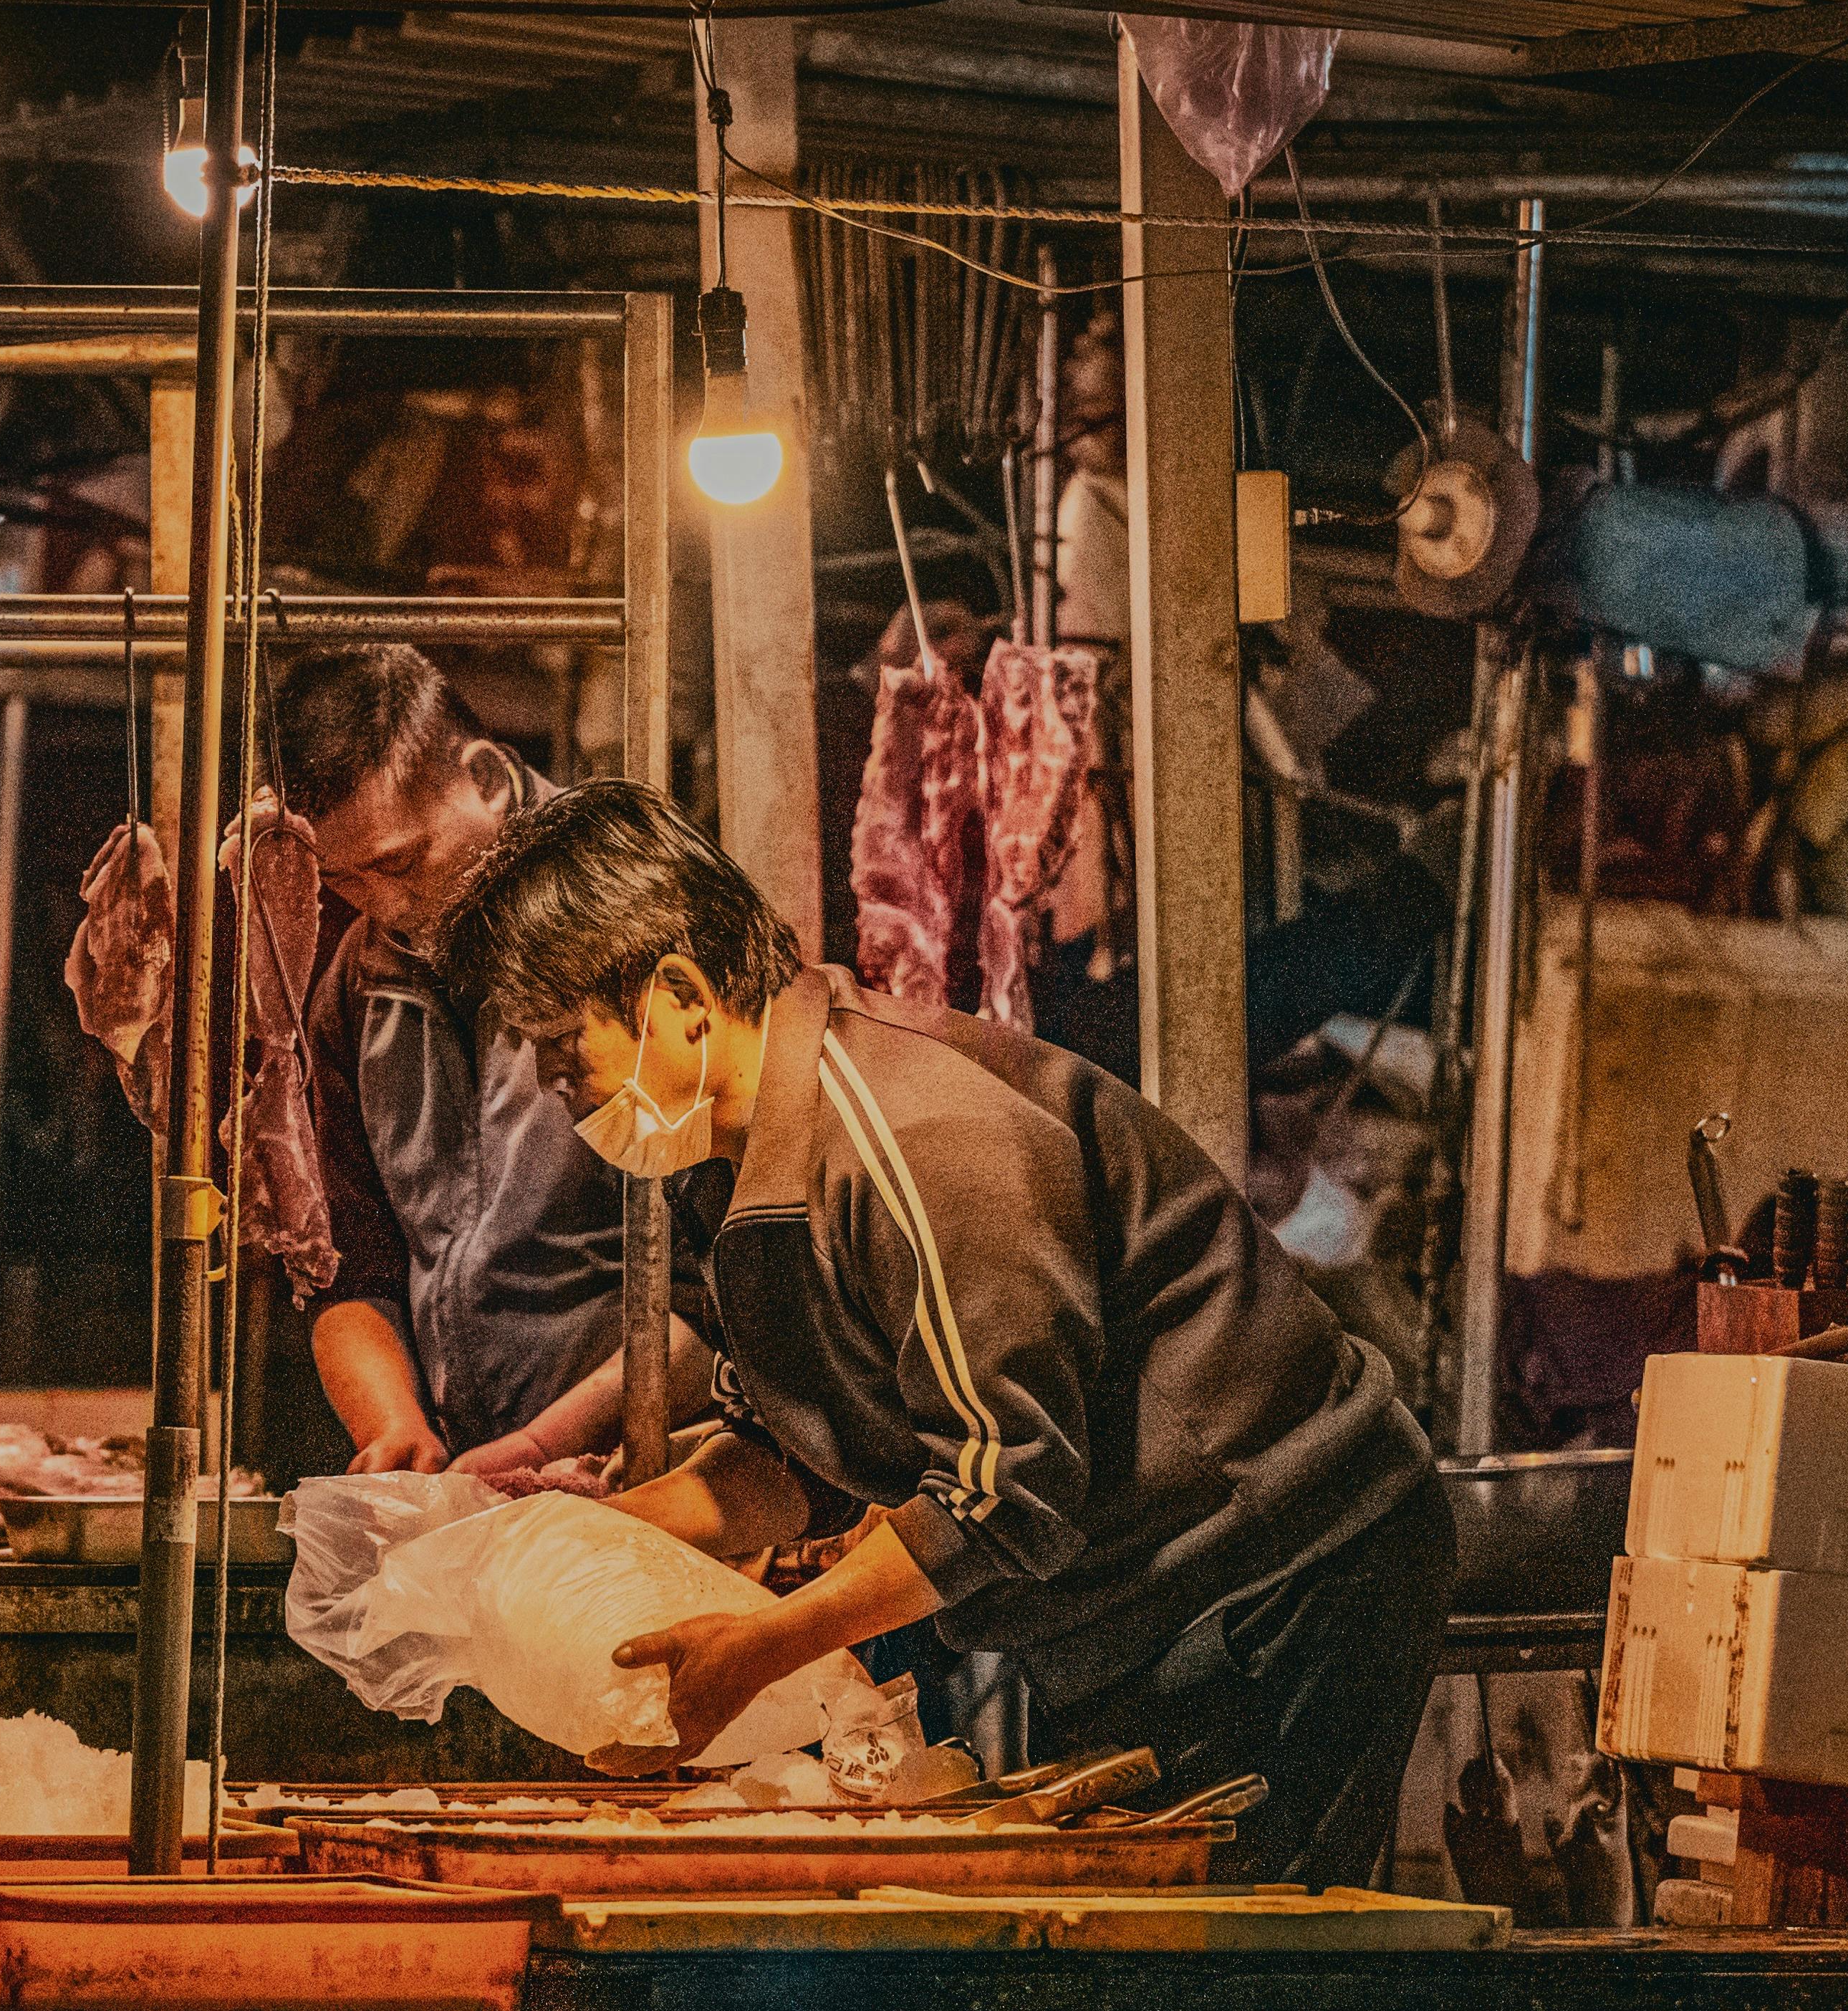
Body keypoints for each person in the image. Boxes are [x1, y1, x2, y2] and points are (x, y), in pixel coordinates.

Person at [437, 779, 1455, 1886]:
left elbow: (1000, 1497)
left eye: (559, 1044)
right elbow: (797, 1460)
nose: (552, 1084)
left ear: (679, 996)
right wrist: (585, 1544)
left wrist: (768, 1647)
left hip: (1282, 1569)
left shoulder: (918, 1138)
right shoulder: (721, 1172)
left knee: (1238, 2004)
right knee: (1130, 1995)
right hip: (1122, 1600)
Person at [264, 645, 703, 1473]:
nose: (388, 906)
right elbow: (349, 1263)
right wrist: (393, 1424)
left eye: (401, 860)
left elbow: (746, 1279)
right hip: (488, 1477)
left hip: (668, 1466)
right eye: (346, 882)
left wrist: (549, 1442)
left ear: (489, 779)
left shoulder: (642, 928)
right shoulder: (359, 981)